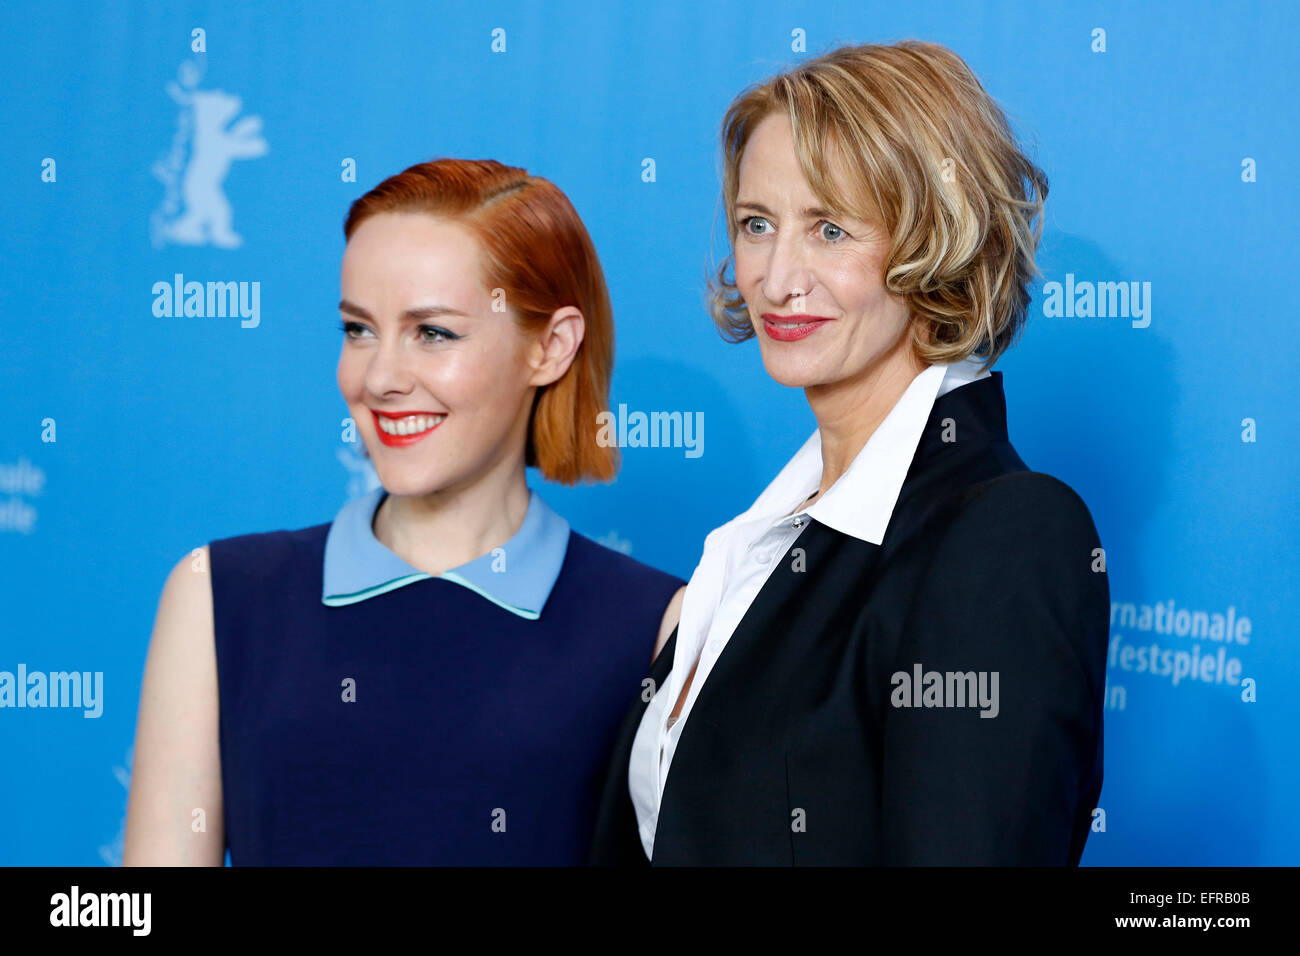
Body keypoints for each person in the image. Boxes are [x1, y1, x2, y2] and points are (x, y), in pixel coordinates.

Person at [590, 40, 1109, 865]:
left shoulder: (1007, 538)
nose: (777, 276)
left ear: (936, 239)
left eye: (830, 229)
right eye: (757, 224)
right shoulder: (749, 554)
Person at [124, 158, 685, 865]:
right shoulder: (221, 594)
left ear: (550, 346)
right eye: (359, 330)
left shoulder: (658, 628)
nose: (381, 379)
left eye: (433, 333)